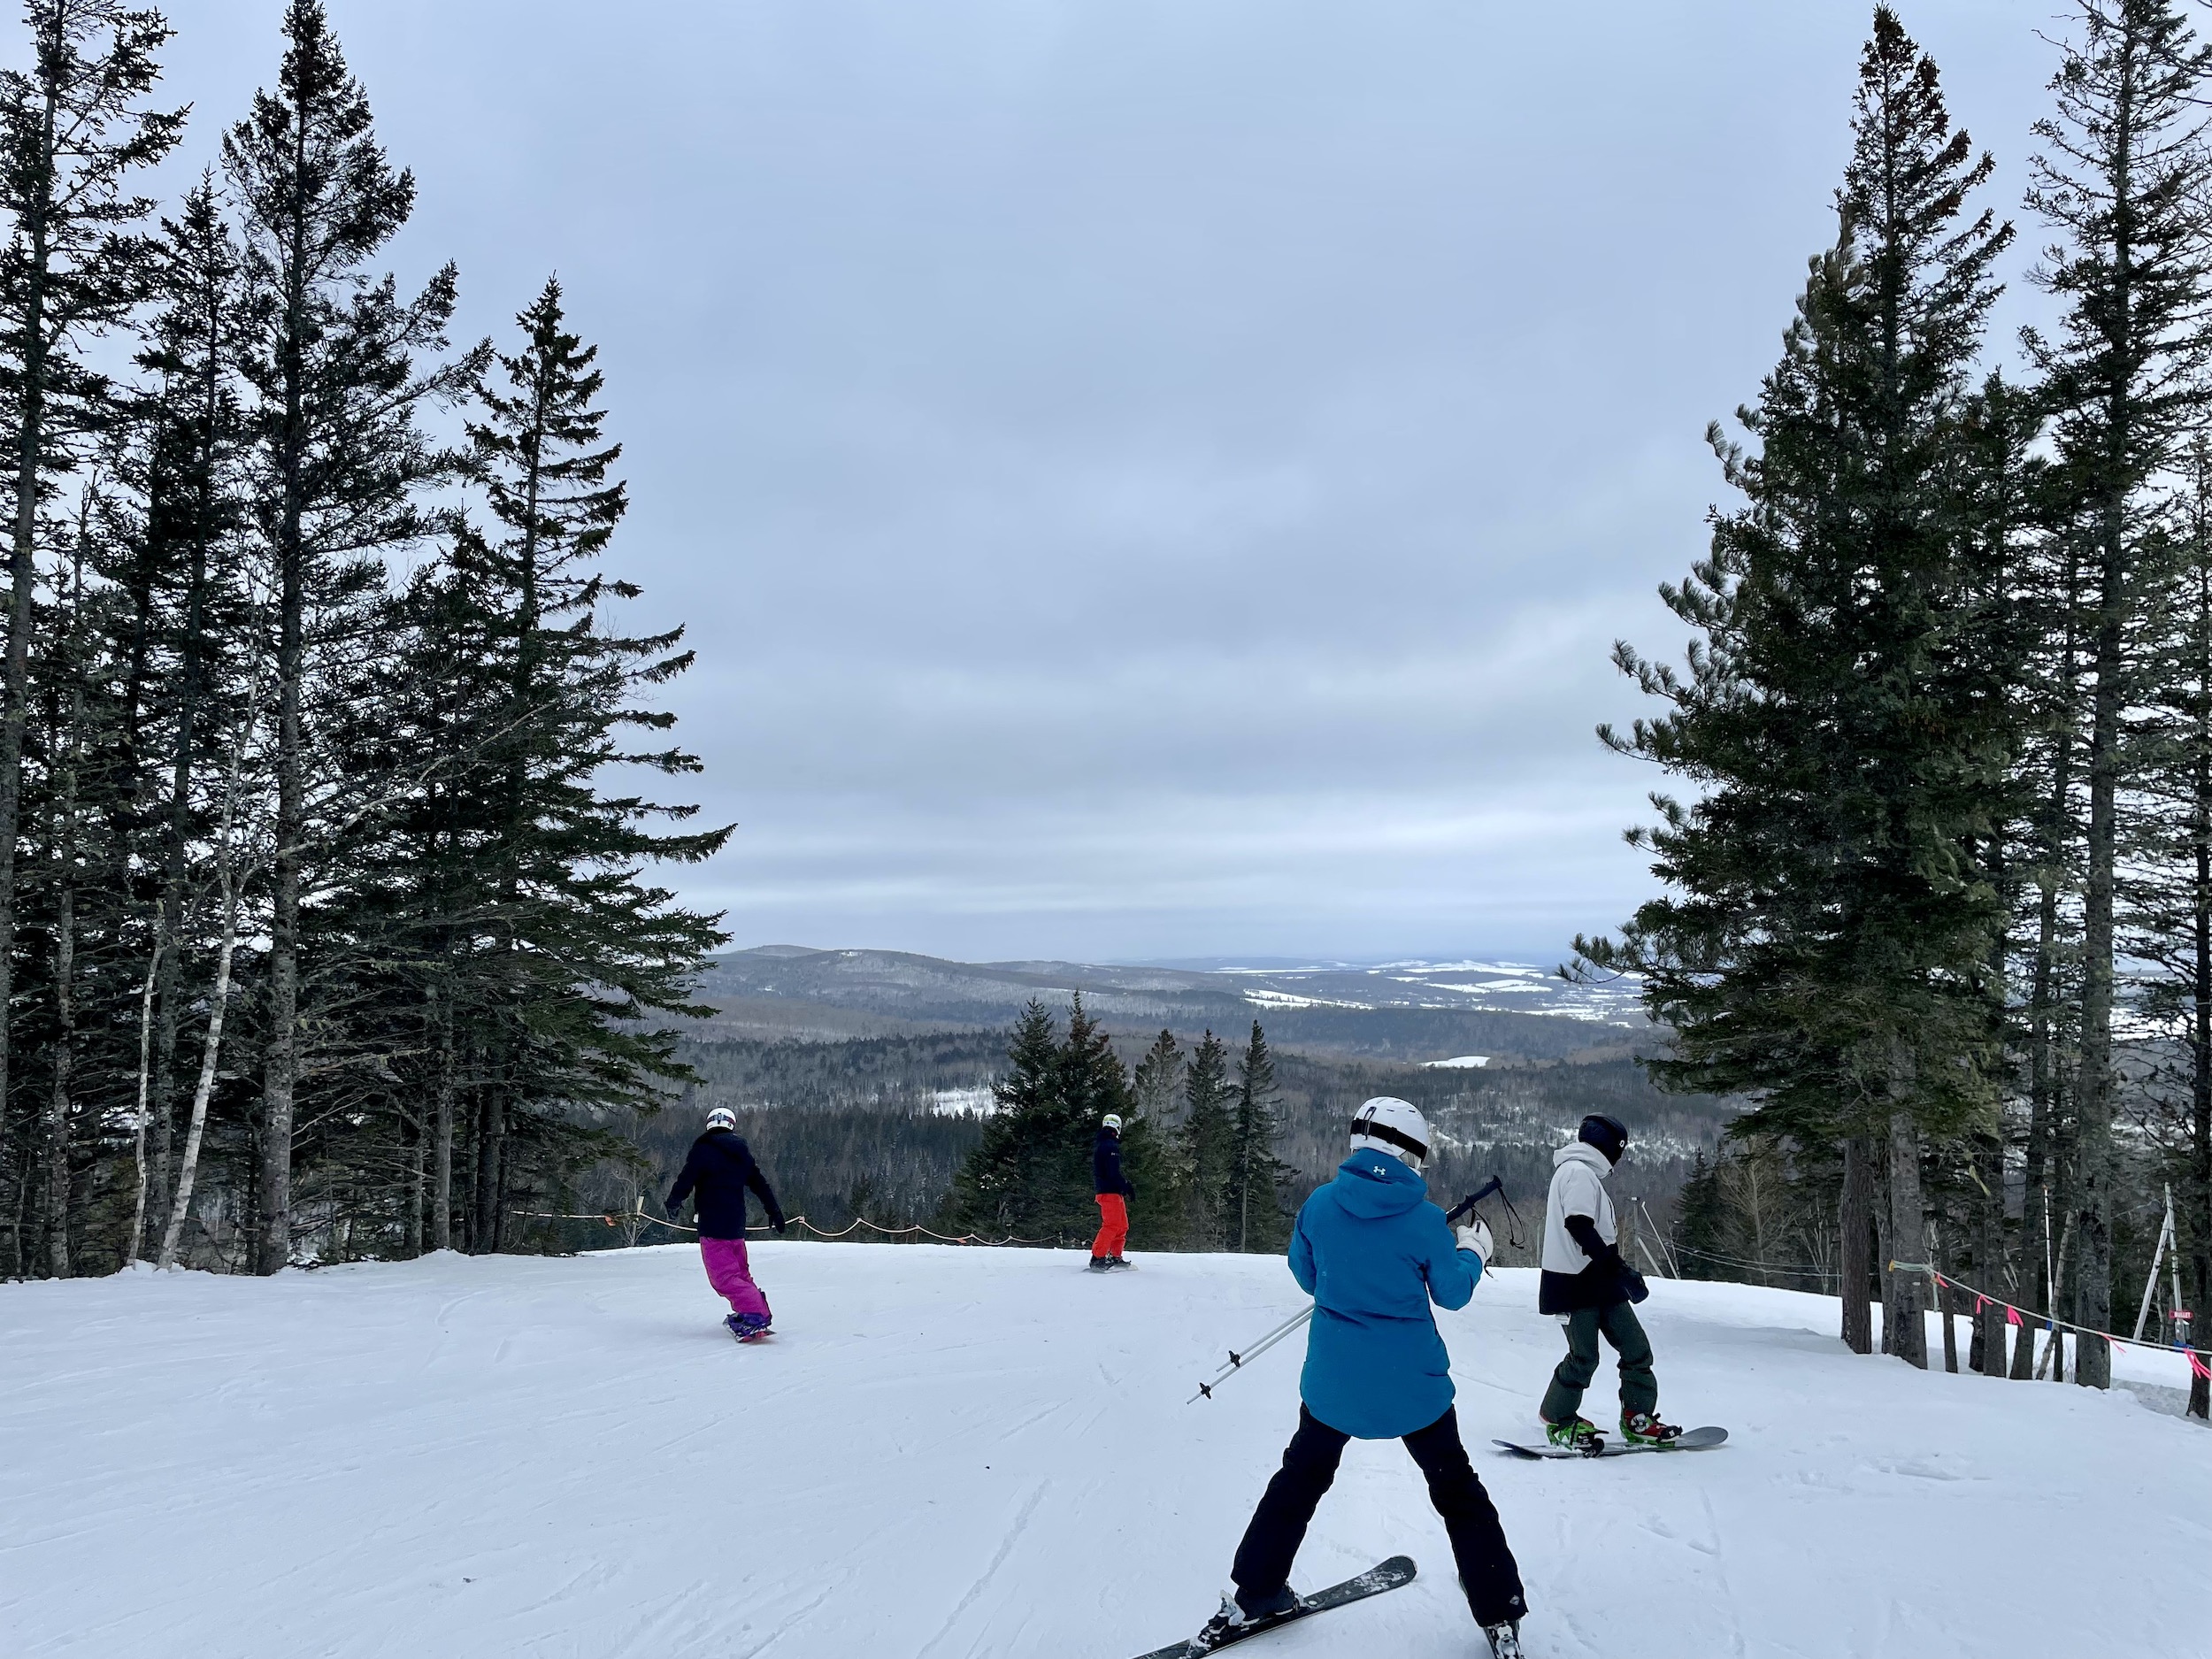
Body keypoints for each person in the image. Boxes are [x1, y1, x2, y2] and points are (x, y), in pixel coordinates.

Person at [1208, 1096, 1529, 1659]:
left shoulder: (1320, 1205)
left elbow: (1307, 1276)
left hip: (1334, 1388)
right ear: (1411, 1153)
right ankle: (1499, 1614)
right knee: (1459, 1494)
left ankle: (1254, 1592)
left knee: (1299, 1482)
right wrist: (1474, 1250)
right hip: (1414, 1391)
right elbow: (1451, 1294)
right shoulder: (1427, 1221)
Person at [1538, 1113, 1678, 1450]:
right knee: (1584, 1357)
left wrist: (1617, 1272)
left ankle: (1638, 1417)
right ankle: (1558, 1418)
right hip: (1574, 1283)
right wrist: (1619, 1268)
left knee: (1636, 1349)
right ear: (1609, 1147)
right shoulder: (1578, 1173)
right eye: (1620, 1149)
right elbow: (1580, 1225)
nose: (1620, 1156)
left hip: (1599, 1282)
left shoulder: (1583, 1173)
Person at [665, 1105, 788, 1341]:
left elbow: (686, 1178)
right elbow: (759, 1182)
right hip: (735, 1222)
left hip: (713, 1222)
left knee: (723, 1277)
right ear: (732, 1124)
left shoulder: (703, 1149)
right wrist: (773, 1210)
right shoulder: (741, 1152)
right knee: (740, 1272)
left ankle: (754, 1314)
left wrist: (673, 1201)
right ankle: (751, 1311)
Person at [1089, 1111, 1137, 1271]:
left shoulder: (1104, 1144)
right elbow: (1112, 1172)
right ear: (1118, 1128)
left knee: (1122, 1225)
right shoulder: (1110, 1146)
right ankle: (1098, 1257)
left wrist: (1123, 1186)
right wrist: (1126, 1185)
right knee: (1112, 1225)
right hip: (1109, 1191)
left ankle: (1114, 1256)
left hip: (1111, 1191)